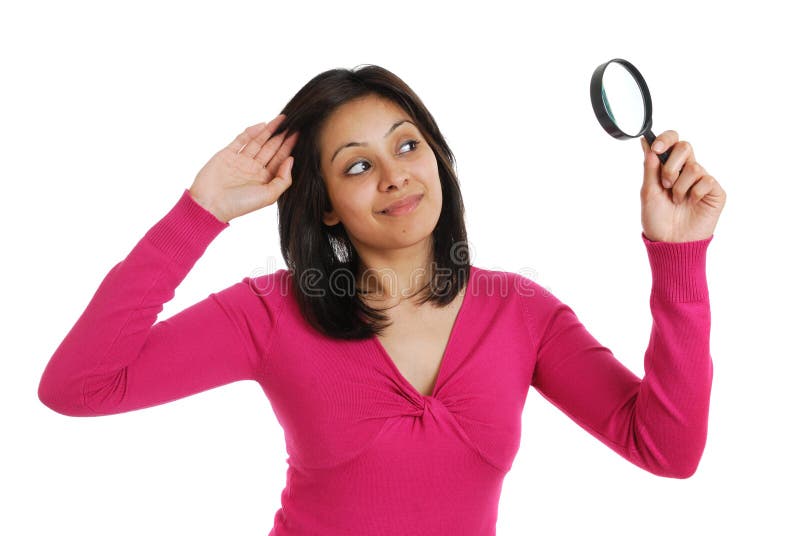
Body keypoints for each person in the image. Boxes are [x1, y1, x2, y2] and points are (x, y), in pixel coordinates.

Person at [37, 64, 727, 535]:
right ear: (326, 205)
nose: (396, 176)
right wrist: (201, 212)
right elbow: (78, 387)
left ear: (438, 159)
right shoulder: (270, 312)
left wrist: (679, 257)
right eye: (359, 165)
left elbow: (667, 449)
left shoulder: (522, 312)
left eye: (408, 146)